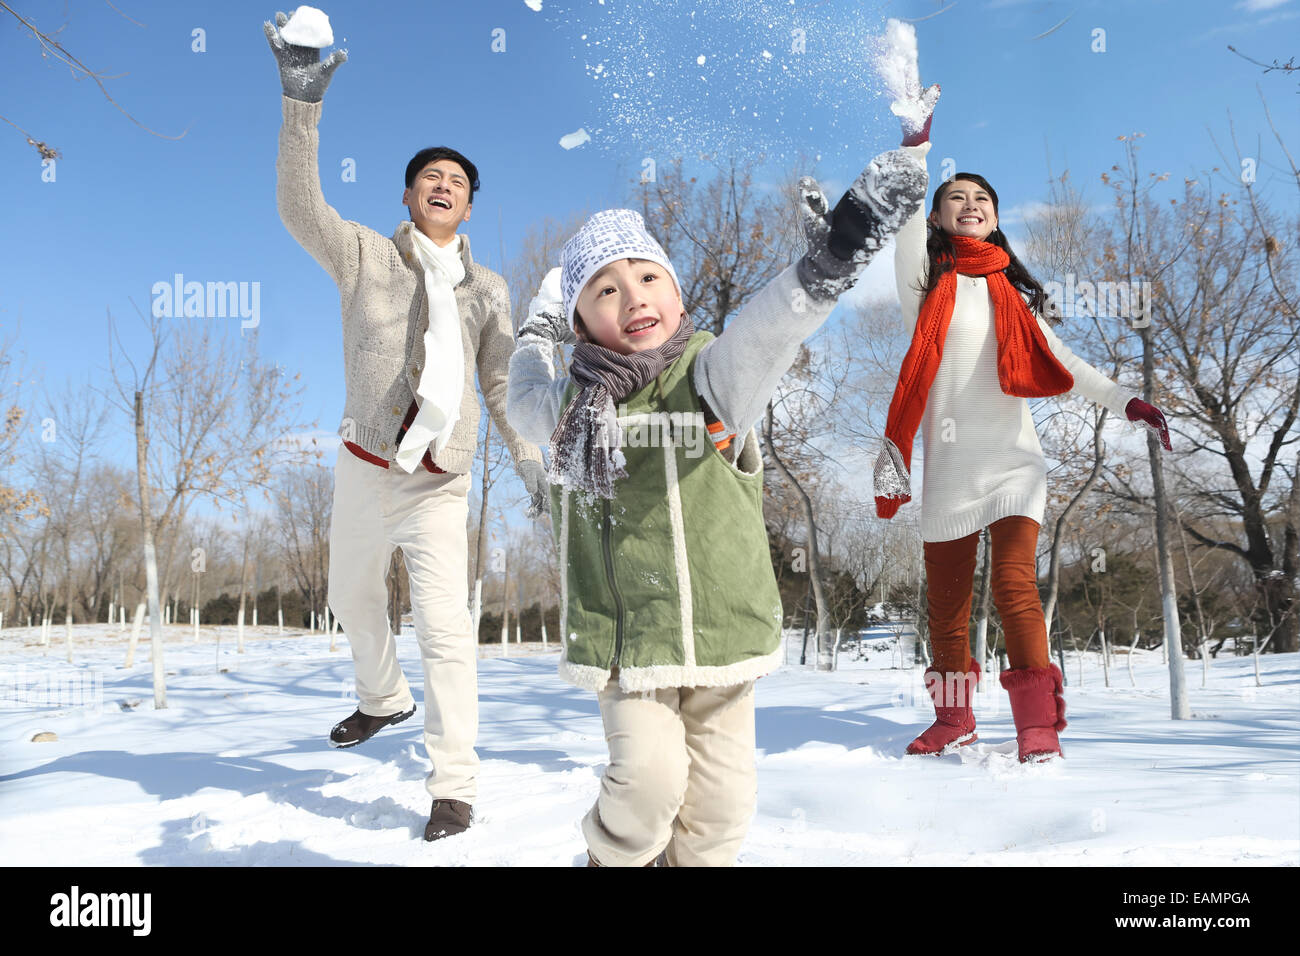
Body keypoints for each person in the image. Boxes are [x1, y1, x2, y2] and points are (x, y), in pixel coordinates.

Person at [506, 149, 929, 865]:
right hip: (627, 643)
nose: (633, 296)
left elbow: (768, 330)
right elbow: (521, 404)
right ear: (581, 323)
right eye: (604, 290)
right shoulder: (573, 408)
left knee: (720, 817)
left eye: (647, 277)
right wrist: (535, 335)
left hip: (721, 638)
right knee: (646, 789)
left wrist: (827, 265)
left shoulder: (712, 379)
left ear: (675, 296)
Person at [265, 11, 547, 840]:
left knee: (446, 629)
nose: (443, 182)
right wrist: (299, 103)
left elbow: (500, 381)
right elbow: (296, 204)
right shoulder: (365, 255)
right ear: (407, 195)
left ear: (468, 203)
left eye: (457, 178)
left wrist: (528, 458)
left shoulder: (488, 289)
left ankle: (453, 784)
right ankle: (382, 699)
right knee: (351, 600)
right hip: (364, 462)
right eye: (429, 173)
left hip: (440, 481)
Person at [877, 79, 1171, 763]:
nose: (971, 204)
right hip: (950, 468)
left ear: (996, 218)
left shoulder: (1014, 295)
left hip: (1014, 461)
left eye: (983, 199)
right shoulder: (923, 285)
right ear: (941, 218)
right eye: (957, 198)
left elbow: (1066, 363)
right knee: (947, 607)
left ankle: (1037, 725)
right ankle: (955, 720)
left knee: (1014, 585)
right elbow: (898, 228)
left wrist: (1128, 399)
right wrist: (917, 145)